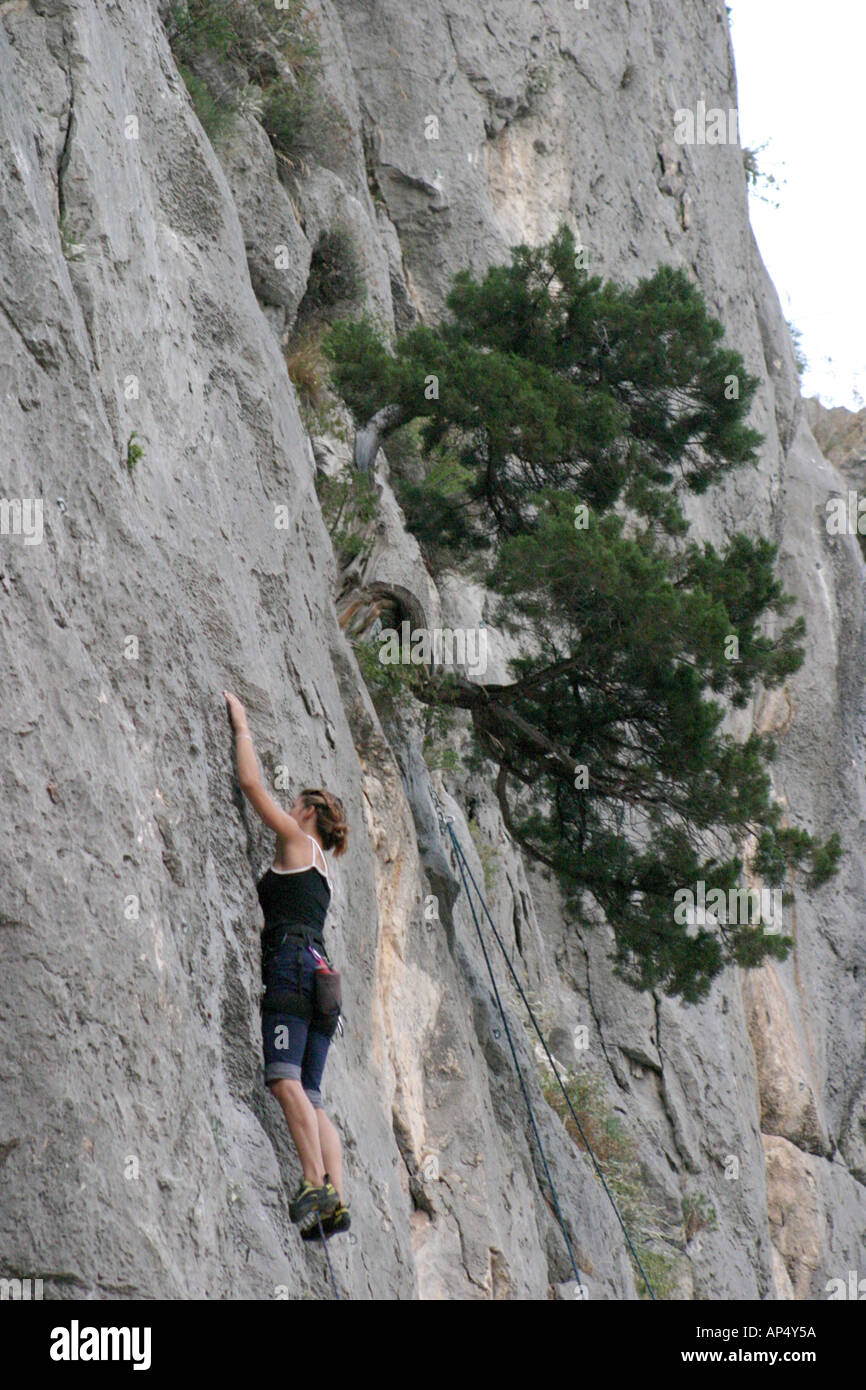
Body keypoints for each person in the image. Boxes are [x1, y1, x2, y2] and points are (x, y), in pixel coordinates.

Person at [224, 691, 351, 1239]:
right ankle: (337, 1199)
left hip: (292, 967)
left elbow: (252, 786)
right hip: (324, 980)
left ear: (307, 813)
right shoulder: (324, 869)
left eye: (295, 803)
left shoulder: (298, 840)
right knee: (314, 1095)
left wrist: (243, 726)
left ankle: (312, 1181)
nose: (290, 809)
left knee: (283, 1079)